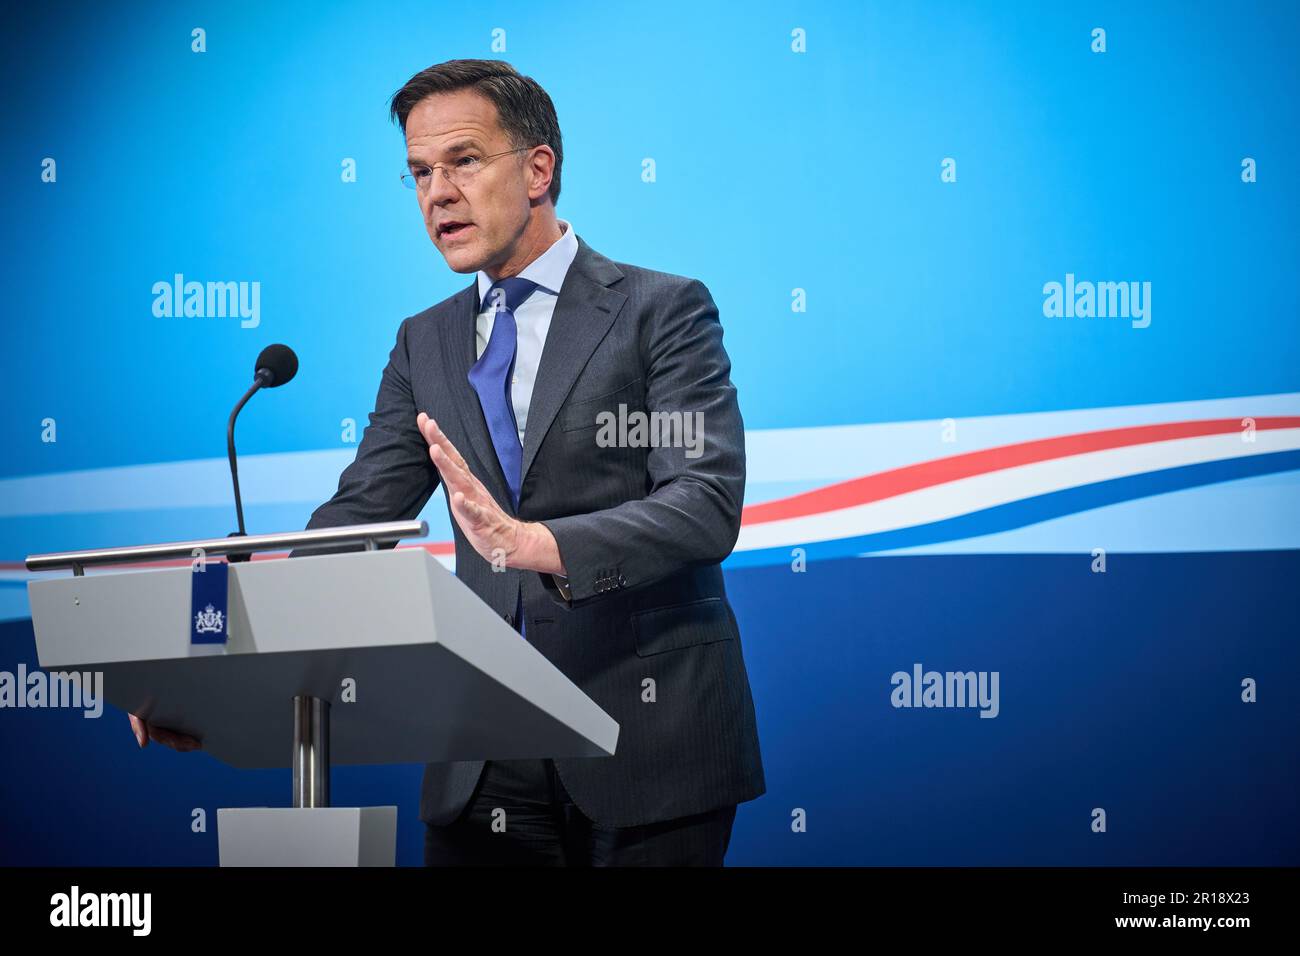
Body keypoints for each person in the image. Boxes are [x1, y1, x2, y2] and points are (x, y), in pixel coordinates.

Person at [131, 58, 765, 866]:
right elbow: (353, 524)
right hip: (484, 756)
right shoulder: (422, 339)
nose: (437, 193)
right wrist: (213, 677)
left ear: (539, 169)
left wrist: (535, 543)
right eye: (420, 173)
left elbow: (703, 501)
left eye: (463, 161)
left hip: (649, 740)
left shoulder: (659, 309)